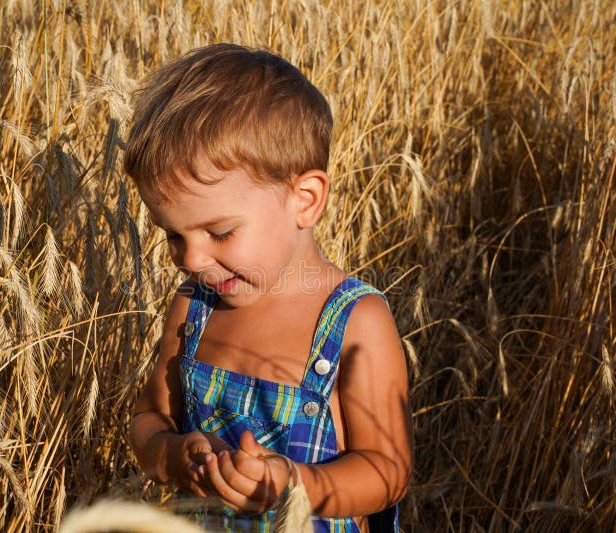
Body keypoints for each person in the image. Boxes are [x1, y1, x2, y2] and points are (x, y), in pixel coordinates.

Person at [124, 43, 413, 533]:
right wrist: (176, 455)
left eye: (219, 233)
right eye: (173, 234)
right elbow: (148, 419)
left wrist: (294, 484)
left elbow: (388, 471)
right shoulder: (194, 308)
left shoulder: (355, 322)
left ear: (305, 200)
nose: (191, 259)